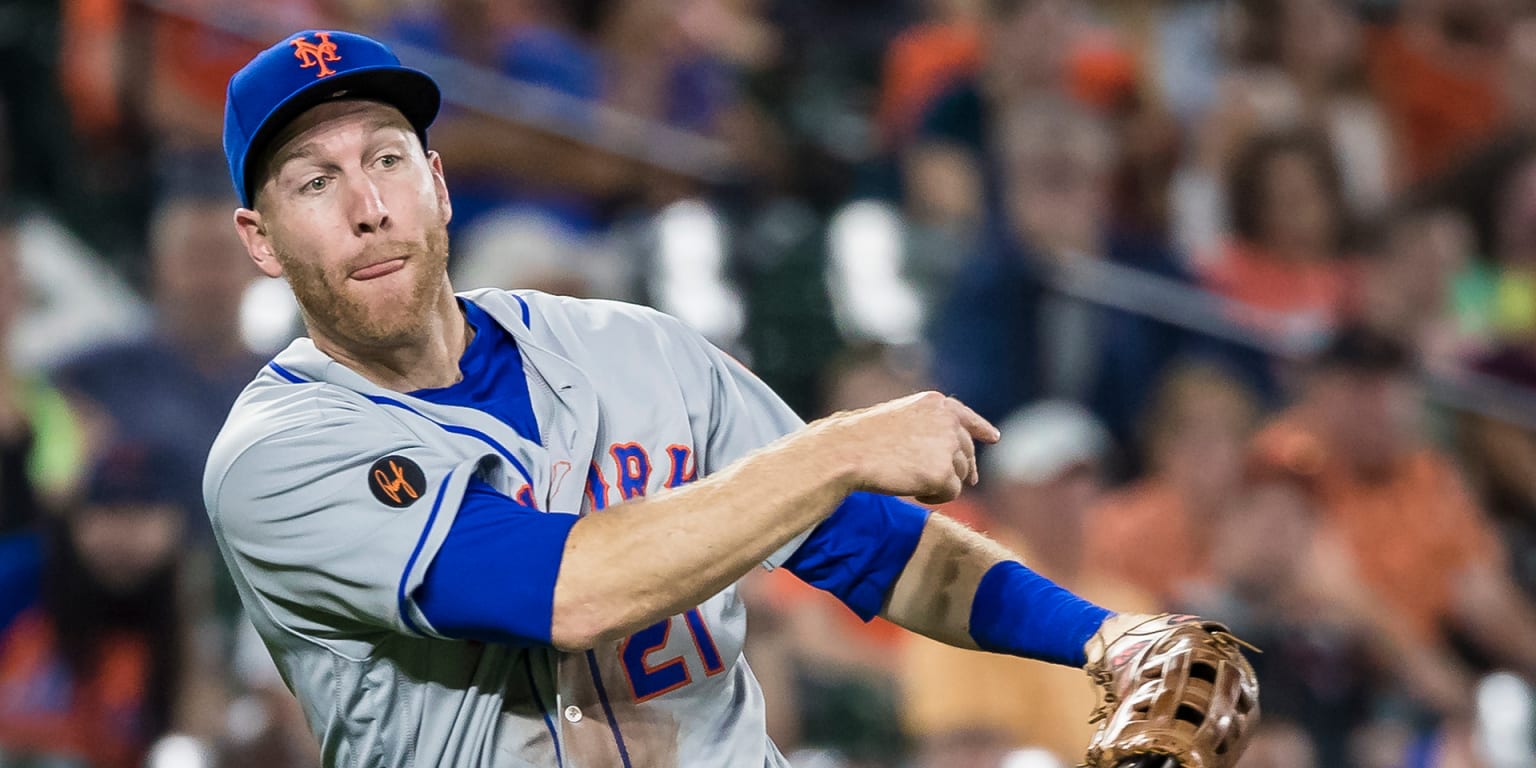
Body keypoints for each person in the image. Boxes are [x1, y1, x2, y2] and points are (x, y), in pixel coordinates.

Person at [205, 30, 1247, 766]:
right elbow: (570, 593)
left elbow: (877, 550)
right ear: (260, 238)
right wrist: (831, 448)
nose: (368, 207)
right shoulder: (280, 454)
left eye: (386, 158)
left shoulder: (633, 350)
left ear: (435, 179)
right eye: (312, 182)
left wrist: (1105, 639)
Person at [899, 401, 1155, 767]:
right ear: (1005, 496)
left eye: (1083, 480)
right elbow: (955, 745)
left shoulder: (1129, 600)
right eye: (1051, 485)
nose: (1072, 498)